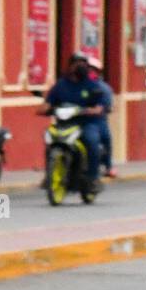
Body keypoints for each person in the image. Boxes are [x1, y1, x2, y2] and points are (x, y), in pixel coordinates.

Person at [43, 51, 112, 190]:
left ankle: (93, 178)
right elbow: (48, 103)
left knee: (92, 140)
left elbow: (100, 105)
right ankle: (49, 174)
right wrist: (44, 109)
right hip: (64, 123)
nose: (80, 66)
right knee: (49, 140)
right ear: (70, 66)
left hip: (86, 123)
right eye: (77, 63)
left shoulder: (93, 85)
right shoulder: (61, 85)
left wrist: (92, 110)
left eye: (83, 63)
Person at [87, 55, 119, 179]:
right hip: (75, 119)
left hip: (96, 120)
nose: (89, 71)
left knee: (105, 137)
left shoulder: (103, 88)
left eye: (91, 69)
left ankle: (108, 165)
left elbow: (105, 106)